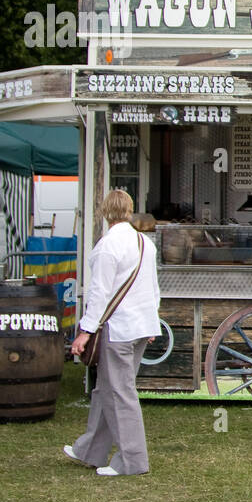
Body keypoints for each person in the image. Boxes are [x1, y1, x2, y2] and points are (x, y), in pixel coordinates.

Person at [64, 189, 160, 476]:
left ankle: (132, 461)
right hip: (140, 325)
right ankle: (90, 449)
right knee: (108, 388)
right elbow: (152, 288)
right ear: (130, 211)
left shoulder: (107, 247)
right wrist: (151, 320)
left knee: (120, 393)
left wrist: (83, 333)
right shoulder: (146, 243)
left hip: (119, 329)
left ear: (105, 213)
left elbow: (99, 294)